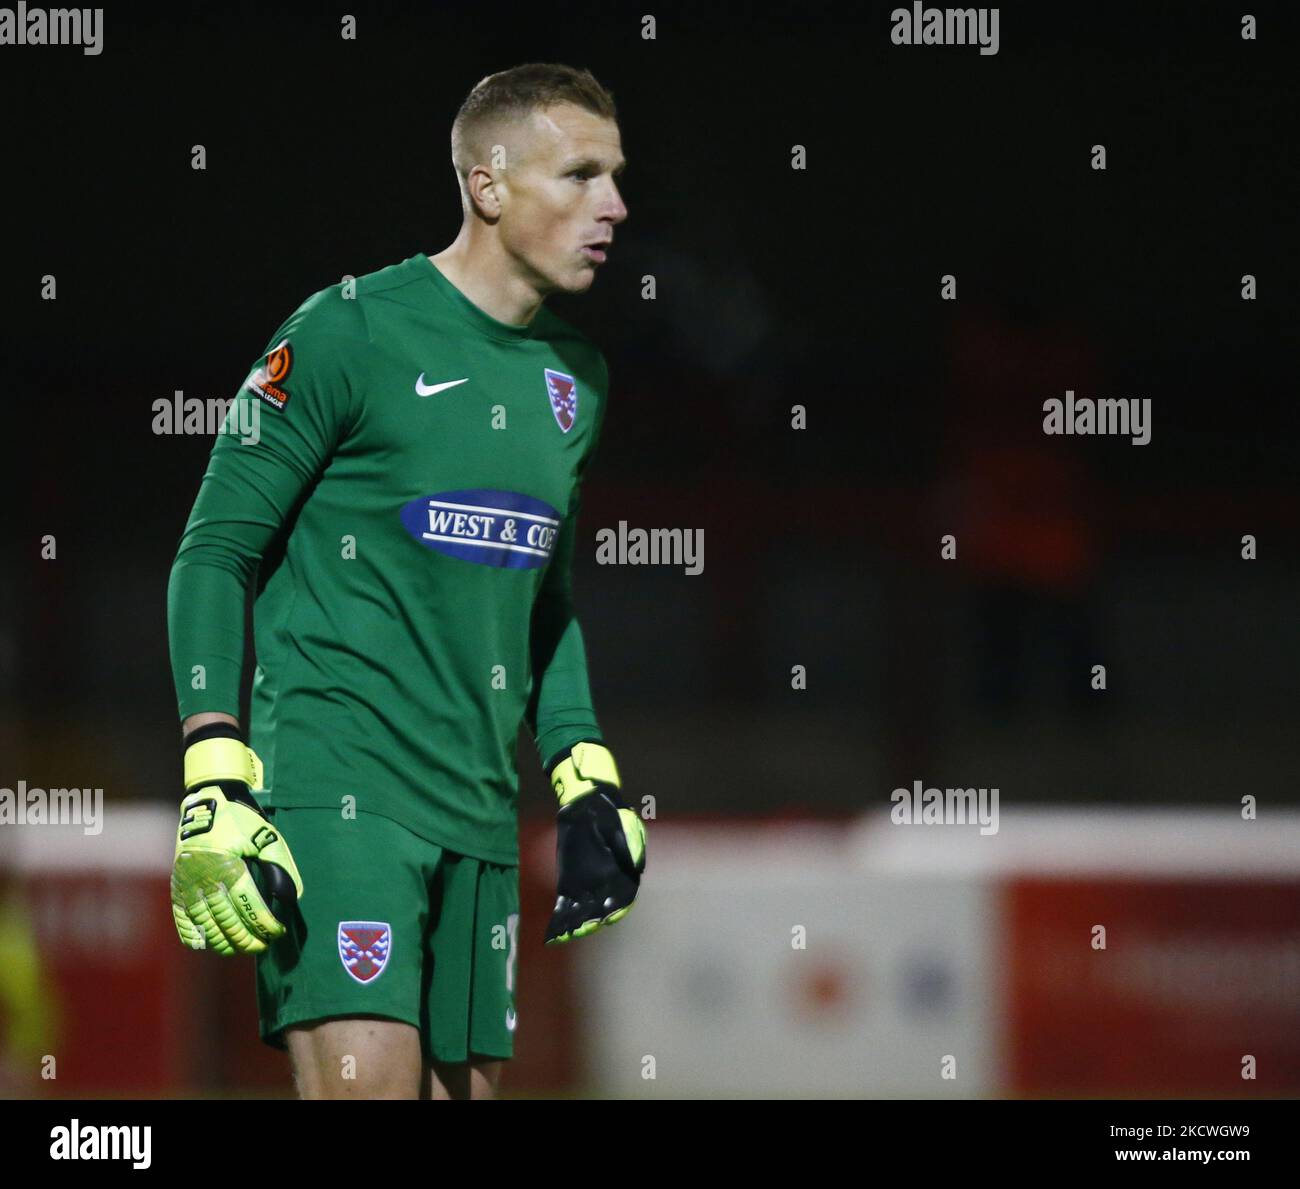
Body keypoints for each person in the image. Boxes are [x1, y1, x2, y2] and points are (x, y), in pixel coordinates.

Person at [166, 62, 644, 1101]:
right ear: (487, 184)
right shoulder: (347, 330)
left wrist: (582, 762)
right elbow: (213, 550)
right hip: (340, 788)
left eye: (614, 177)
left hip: (477, 808)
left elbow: (543, 592)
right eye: (580, 174)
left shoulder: (577, 381)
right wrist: (214, 766)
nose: (614, 205)